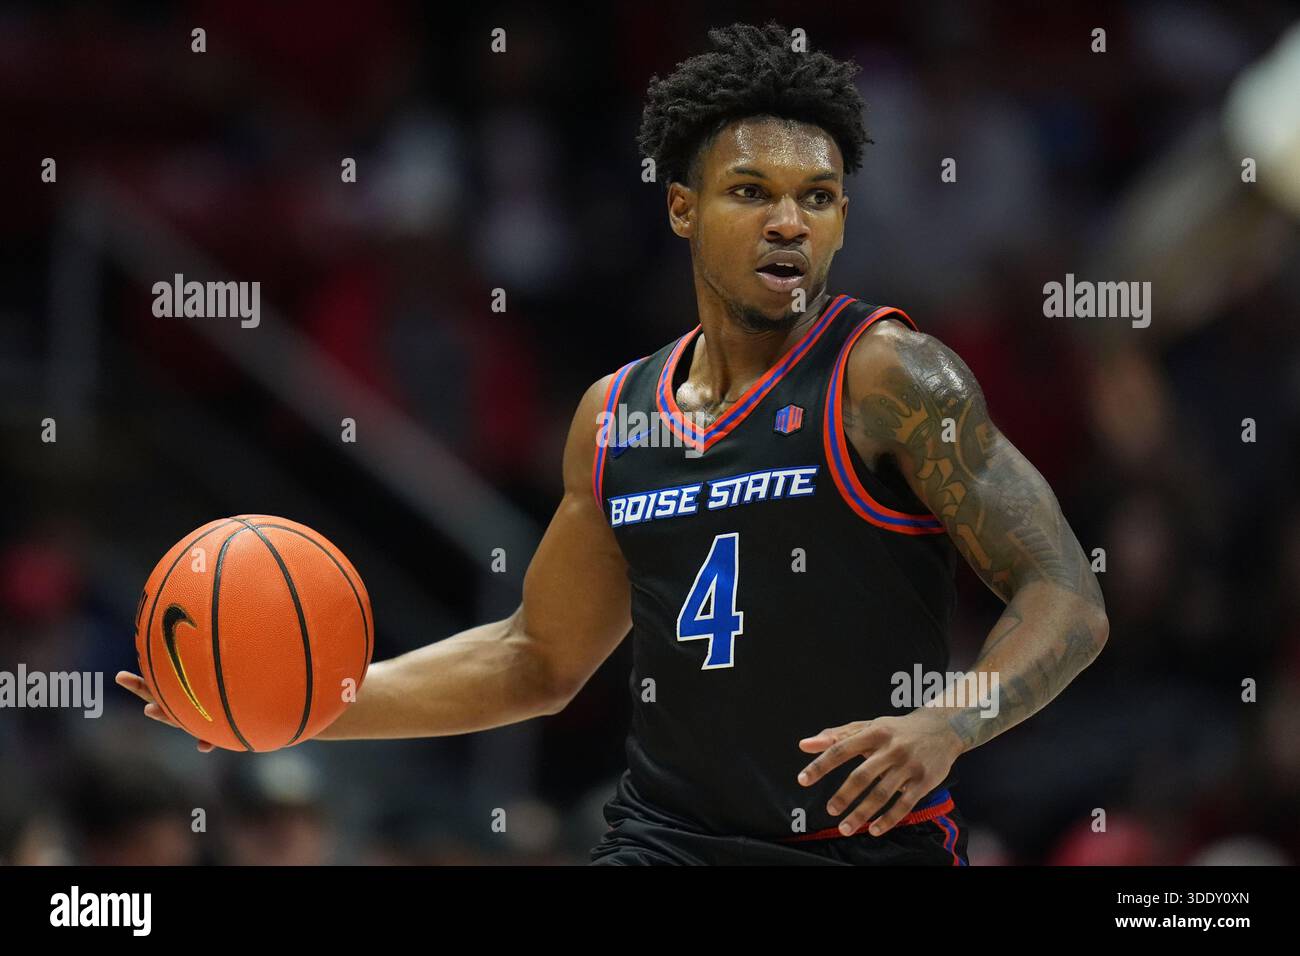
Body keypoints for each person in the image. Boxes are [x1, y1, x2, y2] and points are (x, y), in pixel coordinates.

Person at [119, 21, 1108, 865]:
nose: (786, 223)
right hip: (666, 841)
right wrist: (285, 700)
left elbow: (1065, 595)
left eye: (817, 196)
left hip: (861, 844)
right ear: (682, 206)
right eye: (750, 191)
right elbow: (534, 658)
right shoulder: (619, 412)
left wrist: (950, 718)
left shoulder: (889, 376)